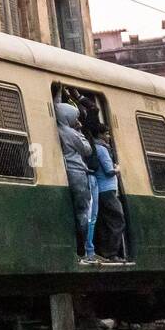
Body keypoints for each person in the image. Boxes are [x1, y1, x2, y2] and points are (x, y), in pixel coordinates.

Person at [56, 102, 95, 263]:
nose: (76, 120)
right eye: (75, 117)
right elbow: (87, 150)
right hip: (78, 173)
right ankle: (82, 251)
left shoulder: (58, 128)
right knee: (83, 213)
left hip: (67, 172)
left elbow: (56, 107)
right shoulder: (71, 133)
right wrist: (80, 130)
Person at [91, 128, 129, 264]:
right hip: (107, 190)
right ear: (100, 134)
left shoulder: (94, 147)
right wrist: (118, 169)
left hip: (100, 190)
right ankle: (111, 254)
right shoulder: (102, 149)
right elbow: (109, 171)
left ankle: (103, 252)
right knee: (117, 220)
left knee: (104, 222)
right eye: (106, 133)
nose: (109, 136)